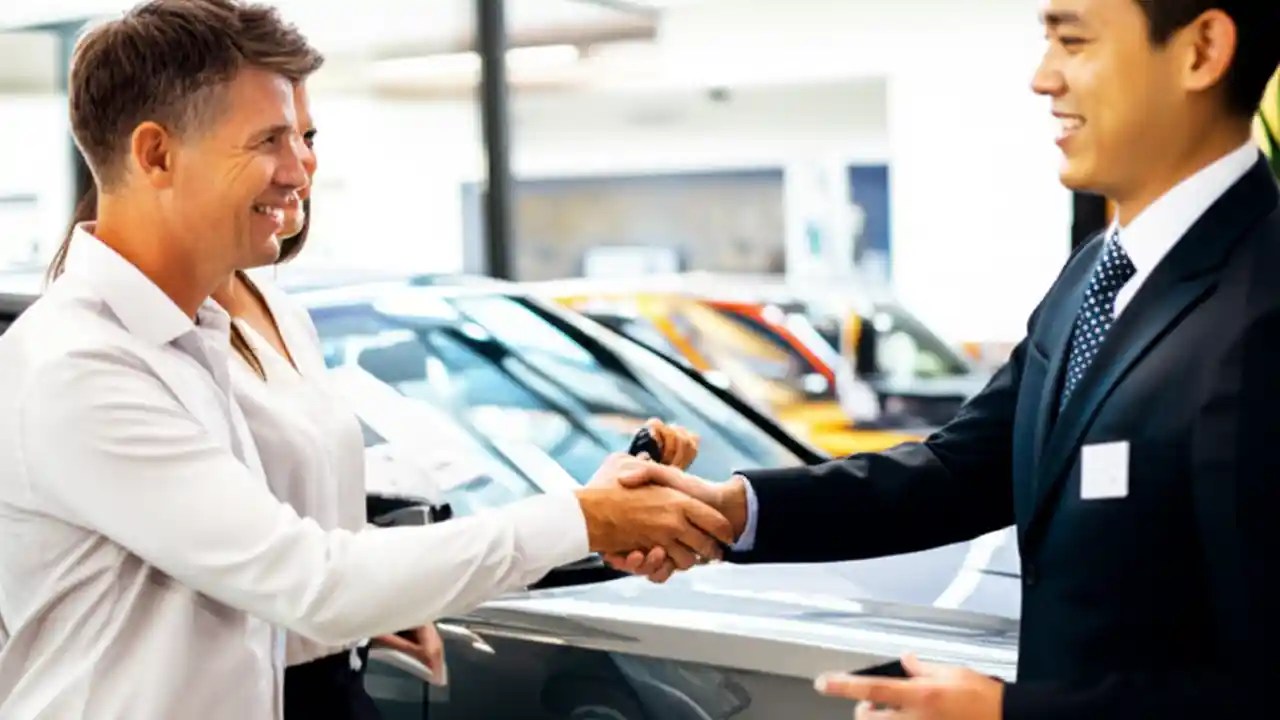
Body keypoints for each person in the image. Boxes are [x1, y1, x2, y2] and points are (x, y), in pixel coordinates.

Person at [0, 2, 728, 719]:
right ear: (157, 154)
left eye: (303, 137)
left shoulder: (202, 330)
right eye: (269, 140)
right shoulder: (80, 366)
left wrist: (382, 598)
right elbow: (311, 579)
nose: (300, 169)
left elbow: (277, 557)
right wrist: (583, 519)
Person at [609, 0, 1280, 718]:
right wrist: (731, 511)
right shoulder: (1097, 273)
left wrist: (1004, 714)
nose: (1043, 78)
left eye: (1074, 41)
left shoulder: (1263, 299)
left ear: (1201, 50)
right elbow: (963, 470)